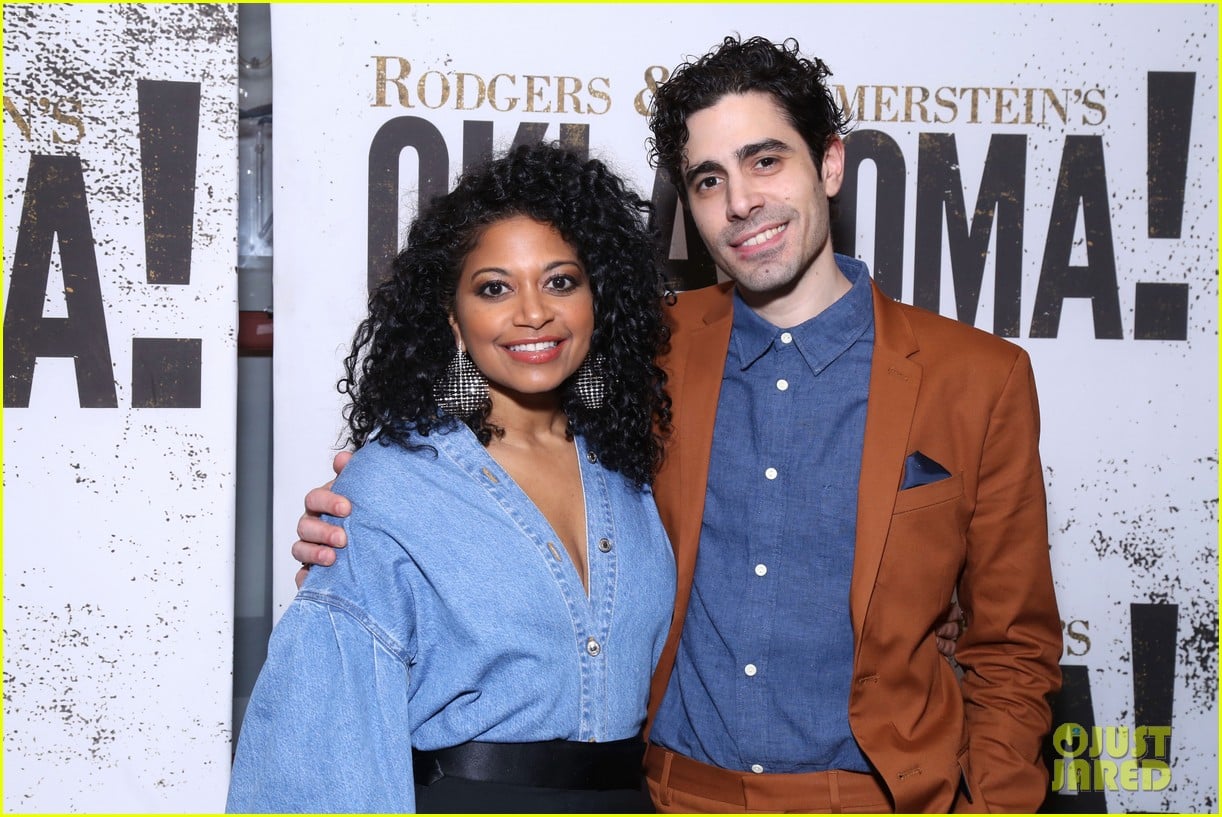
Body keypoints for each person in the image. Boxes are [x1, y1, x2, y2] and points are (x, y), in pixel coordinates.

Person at [295, 36, 1063, 813]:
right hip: (668, 796)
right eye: (708, 179)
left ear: (829, 164)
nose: (740, 203)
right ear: (687, 204)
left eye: (766, 161)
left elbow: (1013, 647)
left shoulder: (978, 379)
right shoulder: (646, 352)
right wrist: (373, 515)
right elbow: (507, 445)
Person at [228, 143, 676, 813]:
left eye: (560, 281)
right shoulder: (391, 486)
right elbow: (318, 754)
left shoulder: (628, 470)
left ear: (596, 299)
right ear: (454, 319)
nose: (533, 312)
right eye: (495, 287)